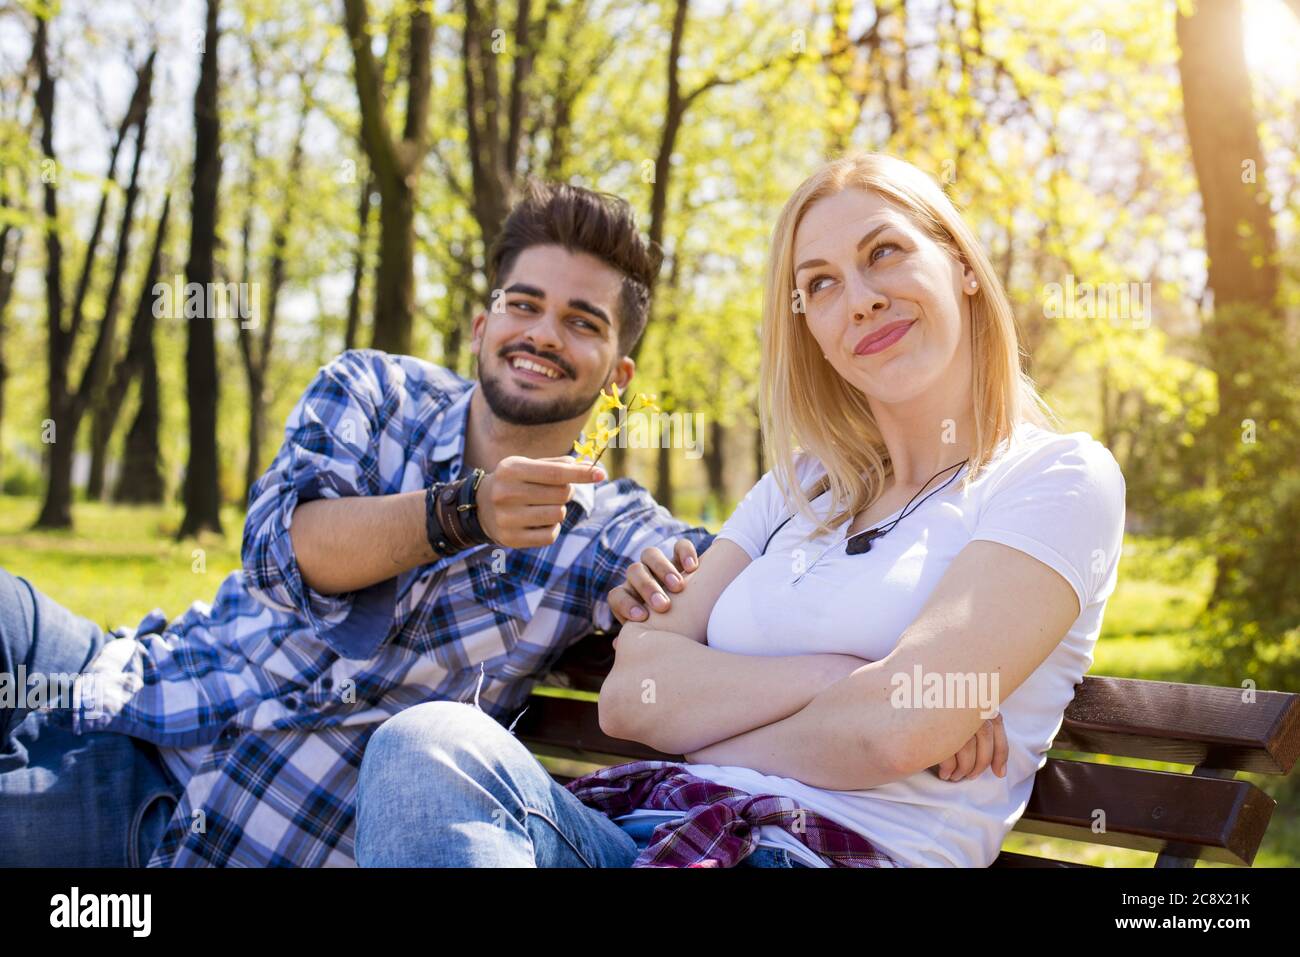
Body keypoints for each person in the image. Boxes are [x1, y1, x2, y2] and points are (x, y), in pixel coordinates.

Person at [353, 152, 1127, 868]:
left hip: (816, 853)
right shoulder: (799, 488)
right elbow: (634, 696)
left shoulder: (1057, 479)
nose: (859, 300)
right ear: (812, 330)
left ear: (959, 264)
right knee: (426, 747)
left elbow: (892, 727)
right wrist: (847, 674)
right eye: (820, 284)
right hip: (662, 830)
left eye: (883, 252)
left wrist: (723, 727)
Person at [0, 179, 712, 867]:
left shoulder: (608, 532)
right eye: (523, 305)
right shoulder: (375, 391)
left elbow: (745, 575)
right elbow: (279, 554)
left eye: (581, 321)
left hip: (181, 803)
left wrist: (667, 581)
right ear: (481, 326)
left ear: (617, 378)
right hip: (137, 672)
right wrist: (466, 510)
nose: (542, 333)